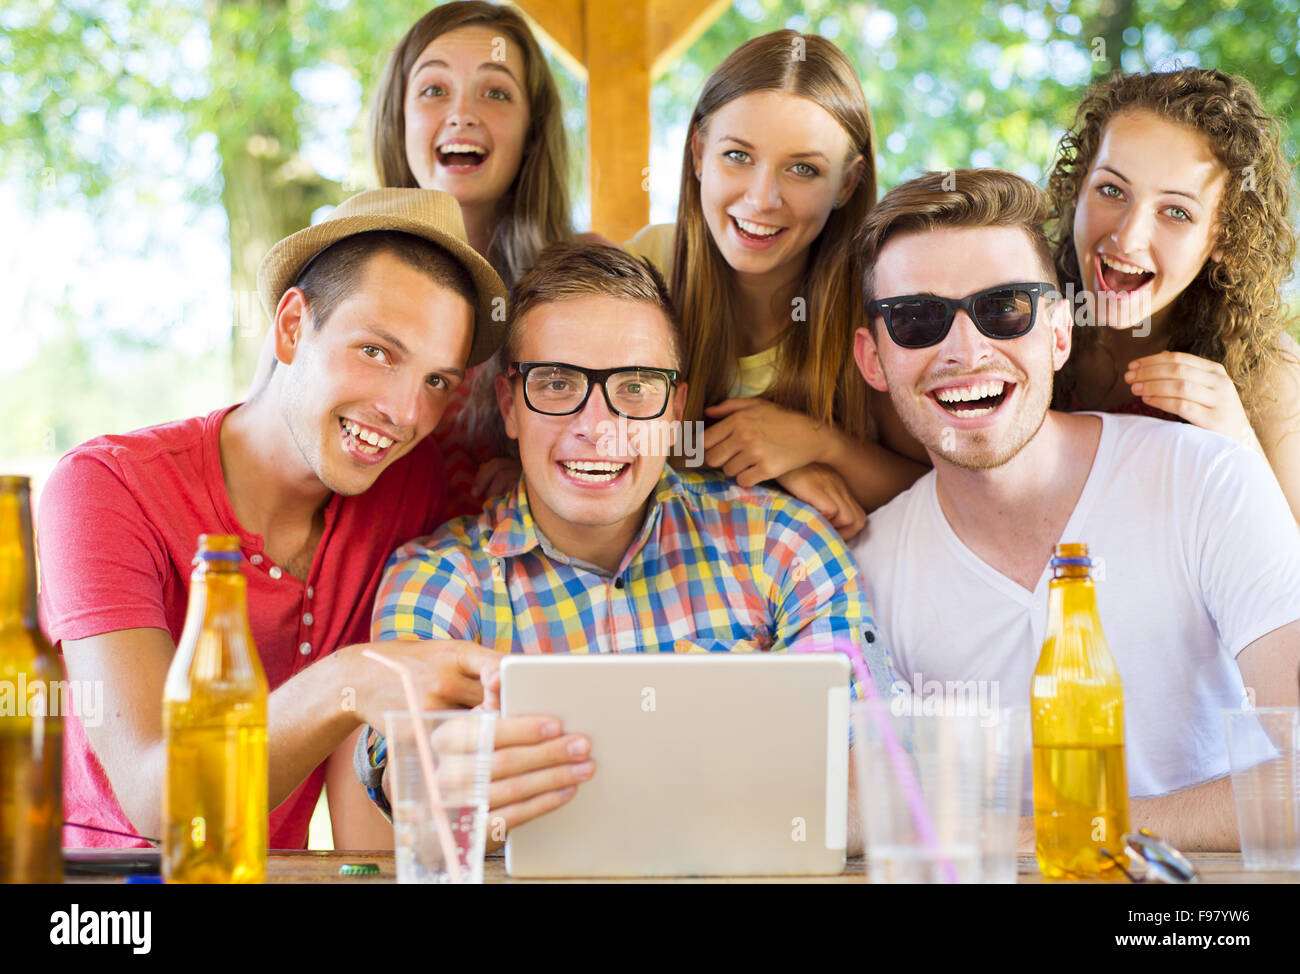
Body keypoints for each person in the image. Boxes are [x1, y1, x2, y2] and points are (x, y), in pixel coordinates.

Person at [354, 242, 884, 853]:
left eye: (635, 388)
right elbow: (413, 783)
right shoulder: (439, 579)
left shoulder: (783, 543)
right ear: (509, 407)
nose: (598, 426)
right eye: (556, 384)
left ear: (675, 408)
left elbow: (870, 779)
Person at [38, 189, 508, 851]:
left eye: (436, 381)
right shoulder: (105, 489)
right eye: (376, 352)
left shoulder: (410, 487)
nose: (404, 412)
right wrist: (351, 680)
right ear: (292, 328)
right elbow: (163, 802)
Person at [850, 169, 1300, 851]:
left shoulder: (1208, 481)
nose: (965, 351)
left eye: (1005, 310)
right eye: (917, 319)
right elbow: (857, 811)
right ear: (873, 359)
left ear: (1059, 333)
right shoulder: (866, 572)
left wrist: (1054, 833)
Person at [627, 30, 925, 536]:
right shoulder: (648, 264)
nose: (763, 199)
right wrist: (781, 473)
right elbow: (602, 438)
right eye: (738, 156)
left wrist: (820, 445)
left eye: (803, 169)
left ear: (847, 184)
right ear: (699, 152)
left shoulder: (876, 300)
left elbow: (936, 489)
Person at [1047, 68, 1300, 518]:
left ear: (1225, 237)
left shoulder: (1266, 370)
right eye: (1111, 189)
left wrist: (1240, 445)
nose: (1127, 238)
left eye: (1177, 212)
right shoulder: (1011, 319)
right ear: (1078, 188)